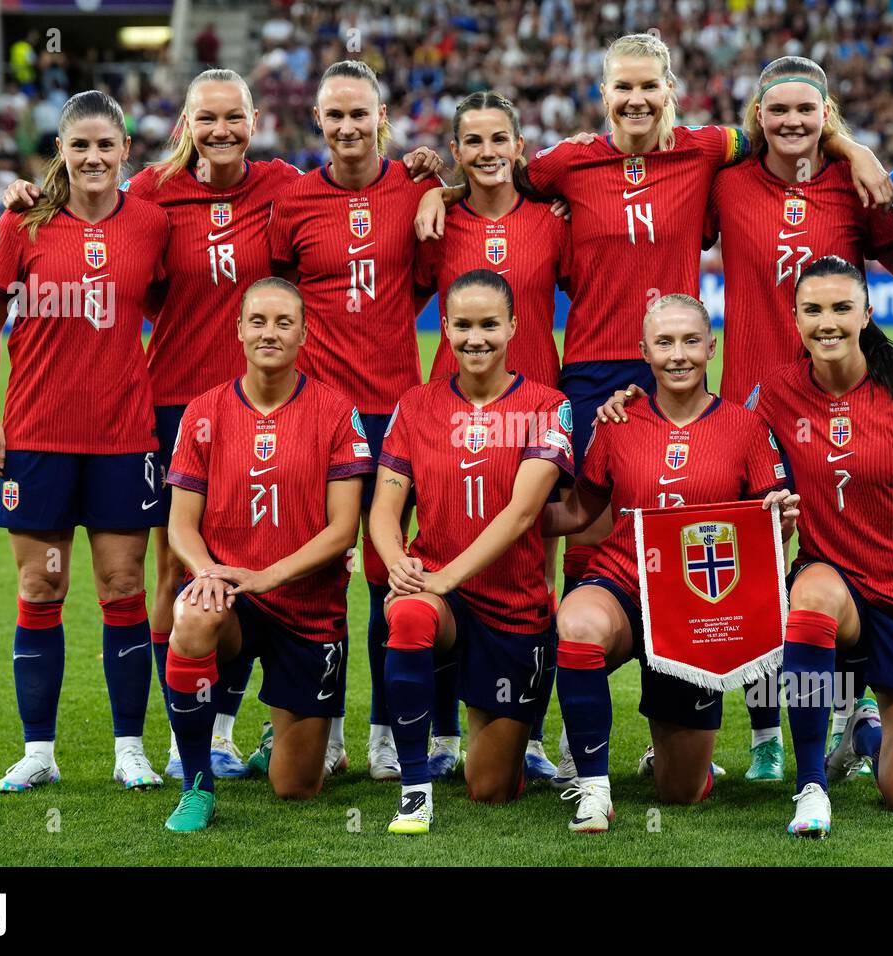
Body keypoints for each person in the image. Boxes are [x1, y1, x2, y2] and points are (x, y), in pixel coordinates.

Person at [416, 34, 890, 786]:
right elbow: (492, 175)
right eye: (622, 88)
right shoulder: (568, 163)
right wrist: (430, 190)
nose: (636, 99)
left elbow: (781, 117)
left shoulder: (708, 150)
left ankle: (771, 725)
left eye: (649, 87)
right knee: (584, 547)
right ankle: (567, 738)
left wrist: (851, 145)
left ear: (671, 91)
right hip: (593, 371)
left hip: (676, 360)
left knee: (733, 543)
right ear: (601, 95)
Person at [0, 67, 443, 781]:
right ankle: (189, 737)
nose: (221, 131)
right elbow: (88, 206)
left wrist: (431, 176)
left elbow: (360, 191)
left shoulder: (283, 187)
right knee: (180, 567)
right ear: (185, 126)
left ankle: (310, 726)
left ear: (256, 119)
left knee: (309, 559)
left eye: (233, 117)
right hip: (176, 401)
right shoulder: (148, 194)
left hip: (273, 402)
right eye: (206, 120)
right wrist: (29, 193)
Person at [702, 55, 893, 782]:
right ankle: (764, 737)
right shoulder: (725, 183)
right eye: (777, 109)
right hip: (752, 409)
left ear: (827, 115)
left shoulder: (852, 186)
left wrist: (858, 153)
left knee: (840, 557)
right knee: (758, 571)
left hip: (837, 407)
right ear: (757, 116)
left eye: (806, 110)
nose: (791, 122)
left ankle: (853, 708)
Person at [0, 90, 169, 793]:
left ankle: (129, 750)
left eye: (104, 146)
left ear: (124, 154)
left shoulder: (151, 224)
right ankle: (39, 752)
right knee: (41, 584)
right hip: (37, 439)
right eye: (78, 145)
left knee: (122, 587)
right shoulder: (23, 221)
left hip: (122, 439)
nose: (92, 157)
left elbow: (175, 310)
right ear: (60, 150)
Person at [545, 293, 795, 832]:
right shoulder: (616, 421)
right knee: (577, 623)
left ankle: (671, 757)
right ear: (644, 351)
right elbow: (578, 509)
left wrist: (784, 520)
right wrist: (499, 518)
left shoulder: (746, 427)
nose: (678, 354)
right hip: (624, 580)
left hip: (696, 608)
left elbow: (767, 531)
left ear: (711, 346)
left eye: (689, 341)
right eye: (664, 342)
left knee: (682, 793)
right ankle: (592, 788)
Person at [268, 59, 453, 782]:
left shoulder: (414, 188)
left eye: (359, 113)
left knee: (388, 577)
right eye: (334, 115)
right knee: (312, 579)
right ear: (319, 122)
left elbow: (434, 266)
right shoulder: (293, 202)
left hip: (395, 412)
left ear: (382, 117)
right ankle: (325, 727)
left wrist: (438, 178)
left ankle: (385, 731)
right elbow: (281, 299)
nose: (347, 127)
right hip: (315, 415)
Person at [754, 256, 893, 836]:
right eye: (813, 310)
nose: (827, 322)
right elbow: (714, 434)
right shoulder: (776, 394)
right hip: (836, 585)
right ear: (796, 317)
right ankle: (810, 788)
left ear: (868, 314)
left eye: (841, 308)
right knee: (811, 598)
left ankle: (864, 733)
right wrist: (628, 405)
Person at [160, 278, 372, 831]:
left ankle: (281, 736)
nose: (269, 332)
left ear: (305, 332)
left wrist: (266, 576)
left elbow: (344, 529)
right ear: (238, 330)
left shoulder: (335, 410)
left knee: (296, 788)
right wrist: (207, 572)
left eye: (283, 322)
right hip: (230, 594)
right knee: (192, 616)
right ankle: (196, 784)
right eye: (257, 321)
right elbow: (180, 522)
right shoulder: (204, 412)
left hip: (307, 608)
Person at [371, 270, 574, 834]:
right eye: (462, 325)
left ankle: (491, 726)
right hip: (438, 599)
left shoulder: (547, 405)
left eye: (489, 324)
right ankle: (414, 788)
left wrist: (447, 576)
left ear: (514, 325)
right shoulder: (415, 405)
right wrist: (400, 564)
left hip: (512, 607)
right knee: (408, 612)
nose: (475, 338)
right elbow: (385, 509)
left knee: (491, 790)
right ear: (446, 327)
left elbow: (523, 513)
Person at [413, 90, 572, 782]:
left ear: (518, 145)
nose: (485, 151)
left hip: (535, 415)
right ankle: (441, 731)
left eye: (497, 138)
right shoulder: (438, 223)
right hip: (453, 417)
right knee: (441, 552)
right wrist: (430, 192)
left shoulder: (553, 222)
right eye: (471, 140)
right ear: (457, 151)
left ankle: (530, 729)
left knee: (538, 560)